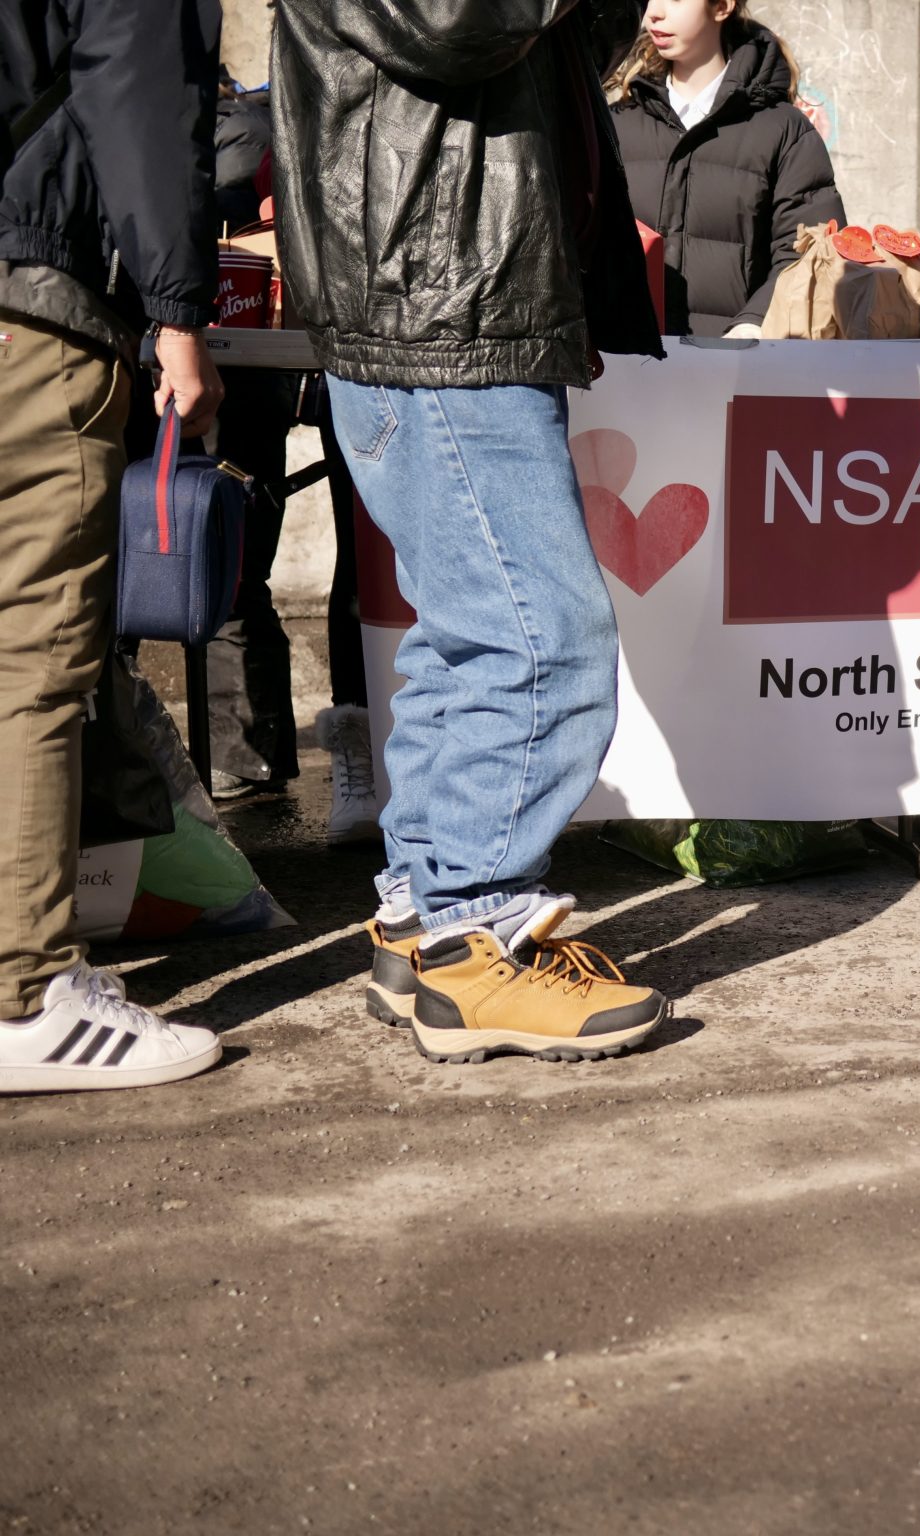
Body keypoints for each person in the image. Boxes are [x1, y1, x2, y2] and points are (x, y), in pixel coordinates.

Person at [270, 0, 672, 1063]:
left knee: (466, 639)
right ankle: (473, 937)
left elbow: (565, 43)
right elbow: (454, 24)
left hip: (456, 297)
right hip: (436, 300)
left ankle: (421, 919)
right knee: (540, 636)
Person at [0, 0, 228, 1092]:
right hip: (30, 311)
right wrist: (178, 314)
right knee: (31, 666)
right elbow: (136, 80)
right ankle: (24, 994)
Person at [610, 0, 844, 339]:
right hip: (624, 369)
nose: (654, 12)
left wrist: (753, 323)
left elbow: (811, 252)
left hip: (739, 368)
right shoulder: (615, 124)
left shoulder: (783, 130)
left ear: (721, 6)